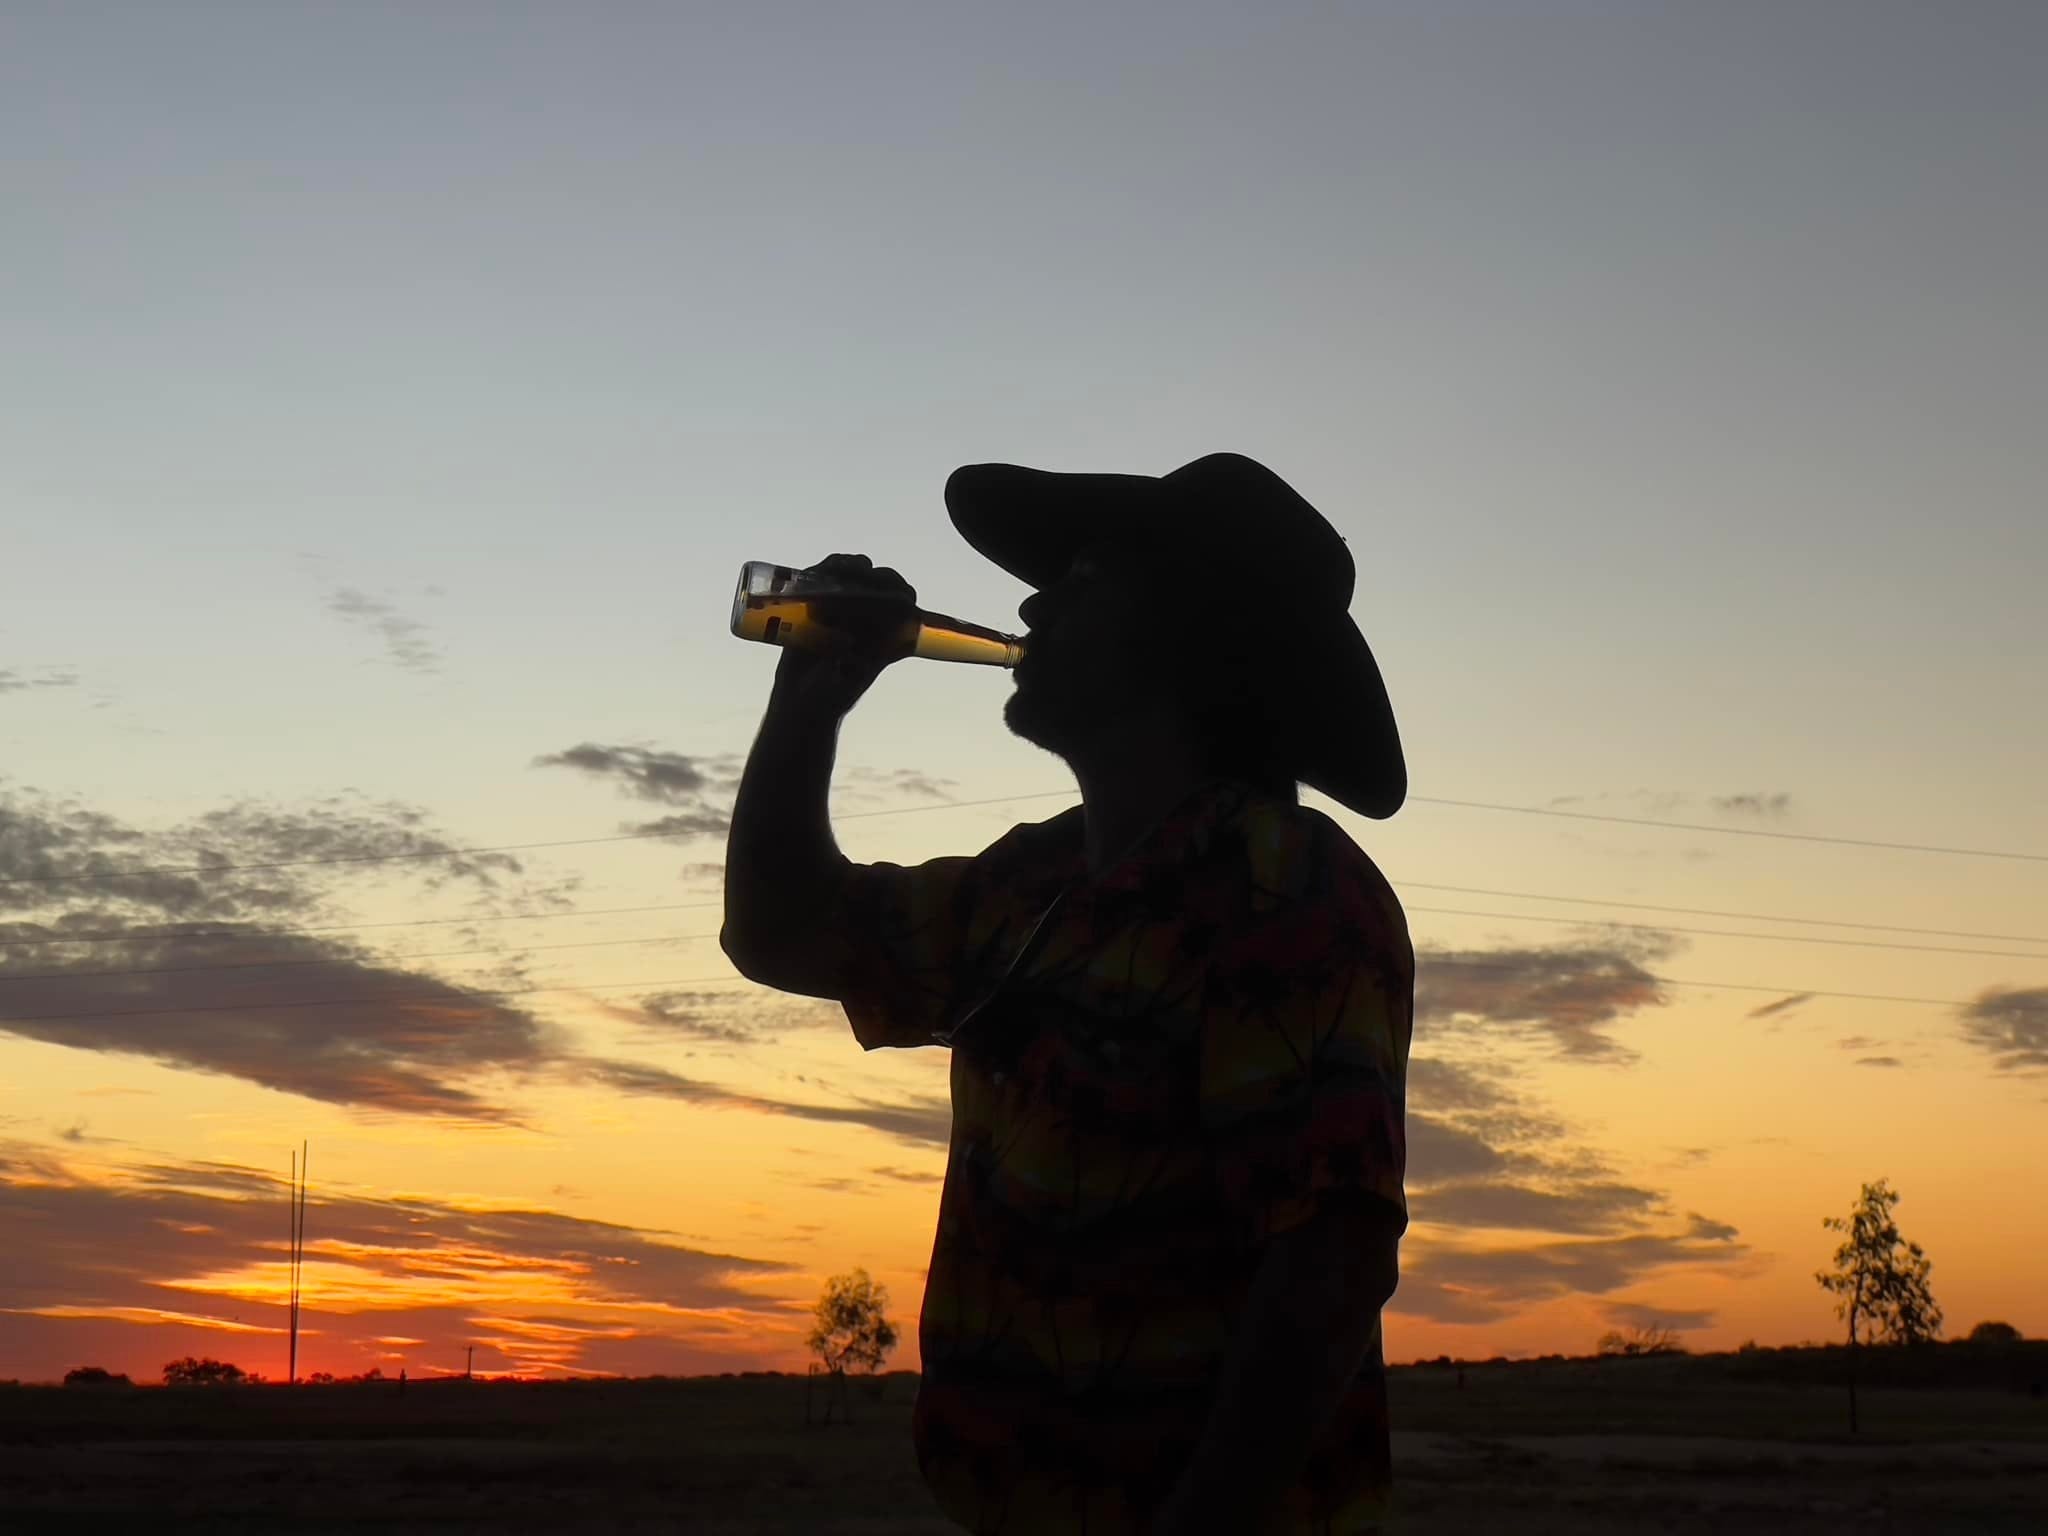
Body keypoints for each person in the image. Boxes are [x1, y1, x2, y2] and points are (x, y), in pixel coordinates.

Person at [723, 452, 1413, 1535]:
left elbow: (1326, 1262)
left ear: (1187, 636)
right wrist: (808, 703)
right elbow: (780, 933)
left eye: (1083, 579)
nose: (1033, 606)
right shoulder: (1031, 882)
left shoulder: (1283, 888)